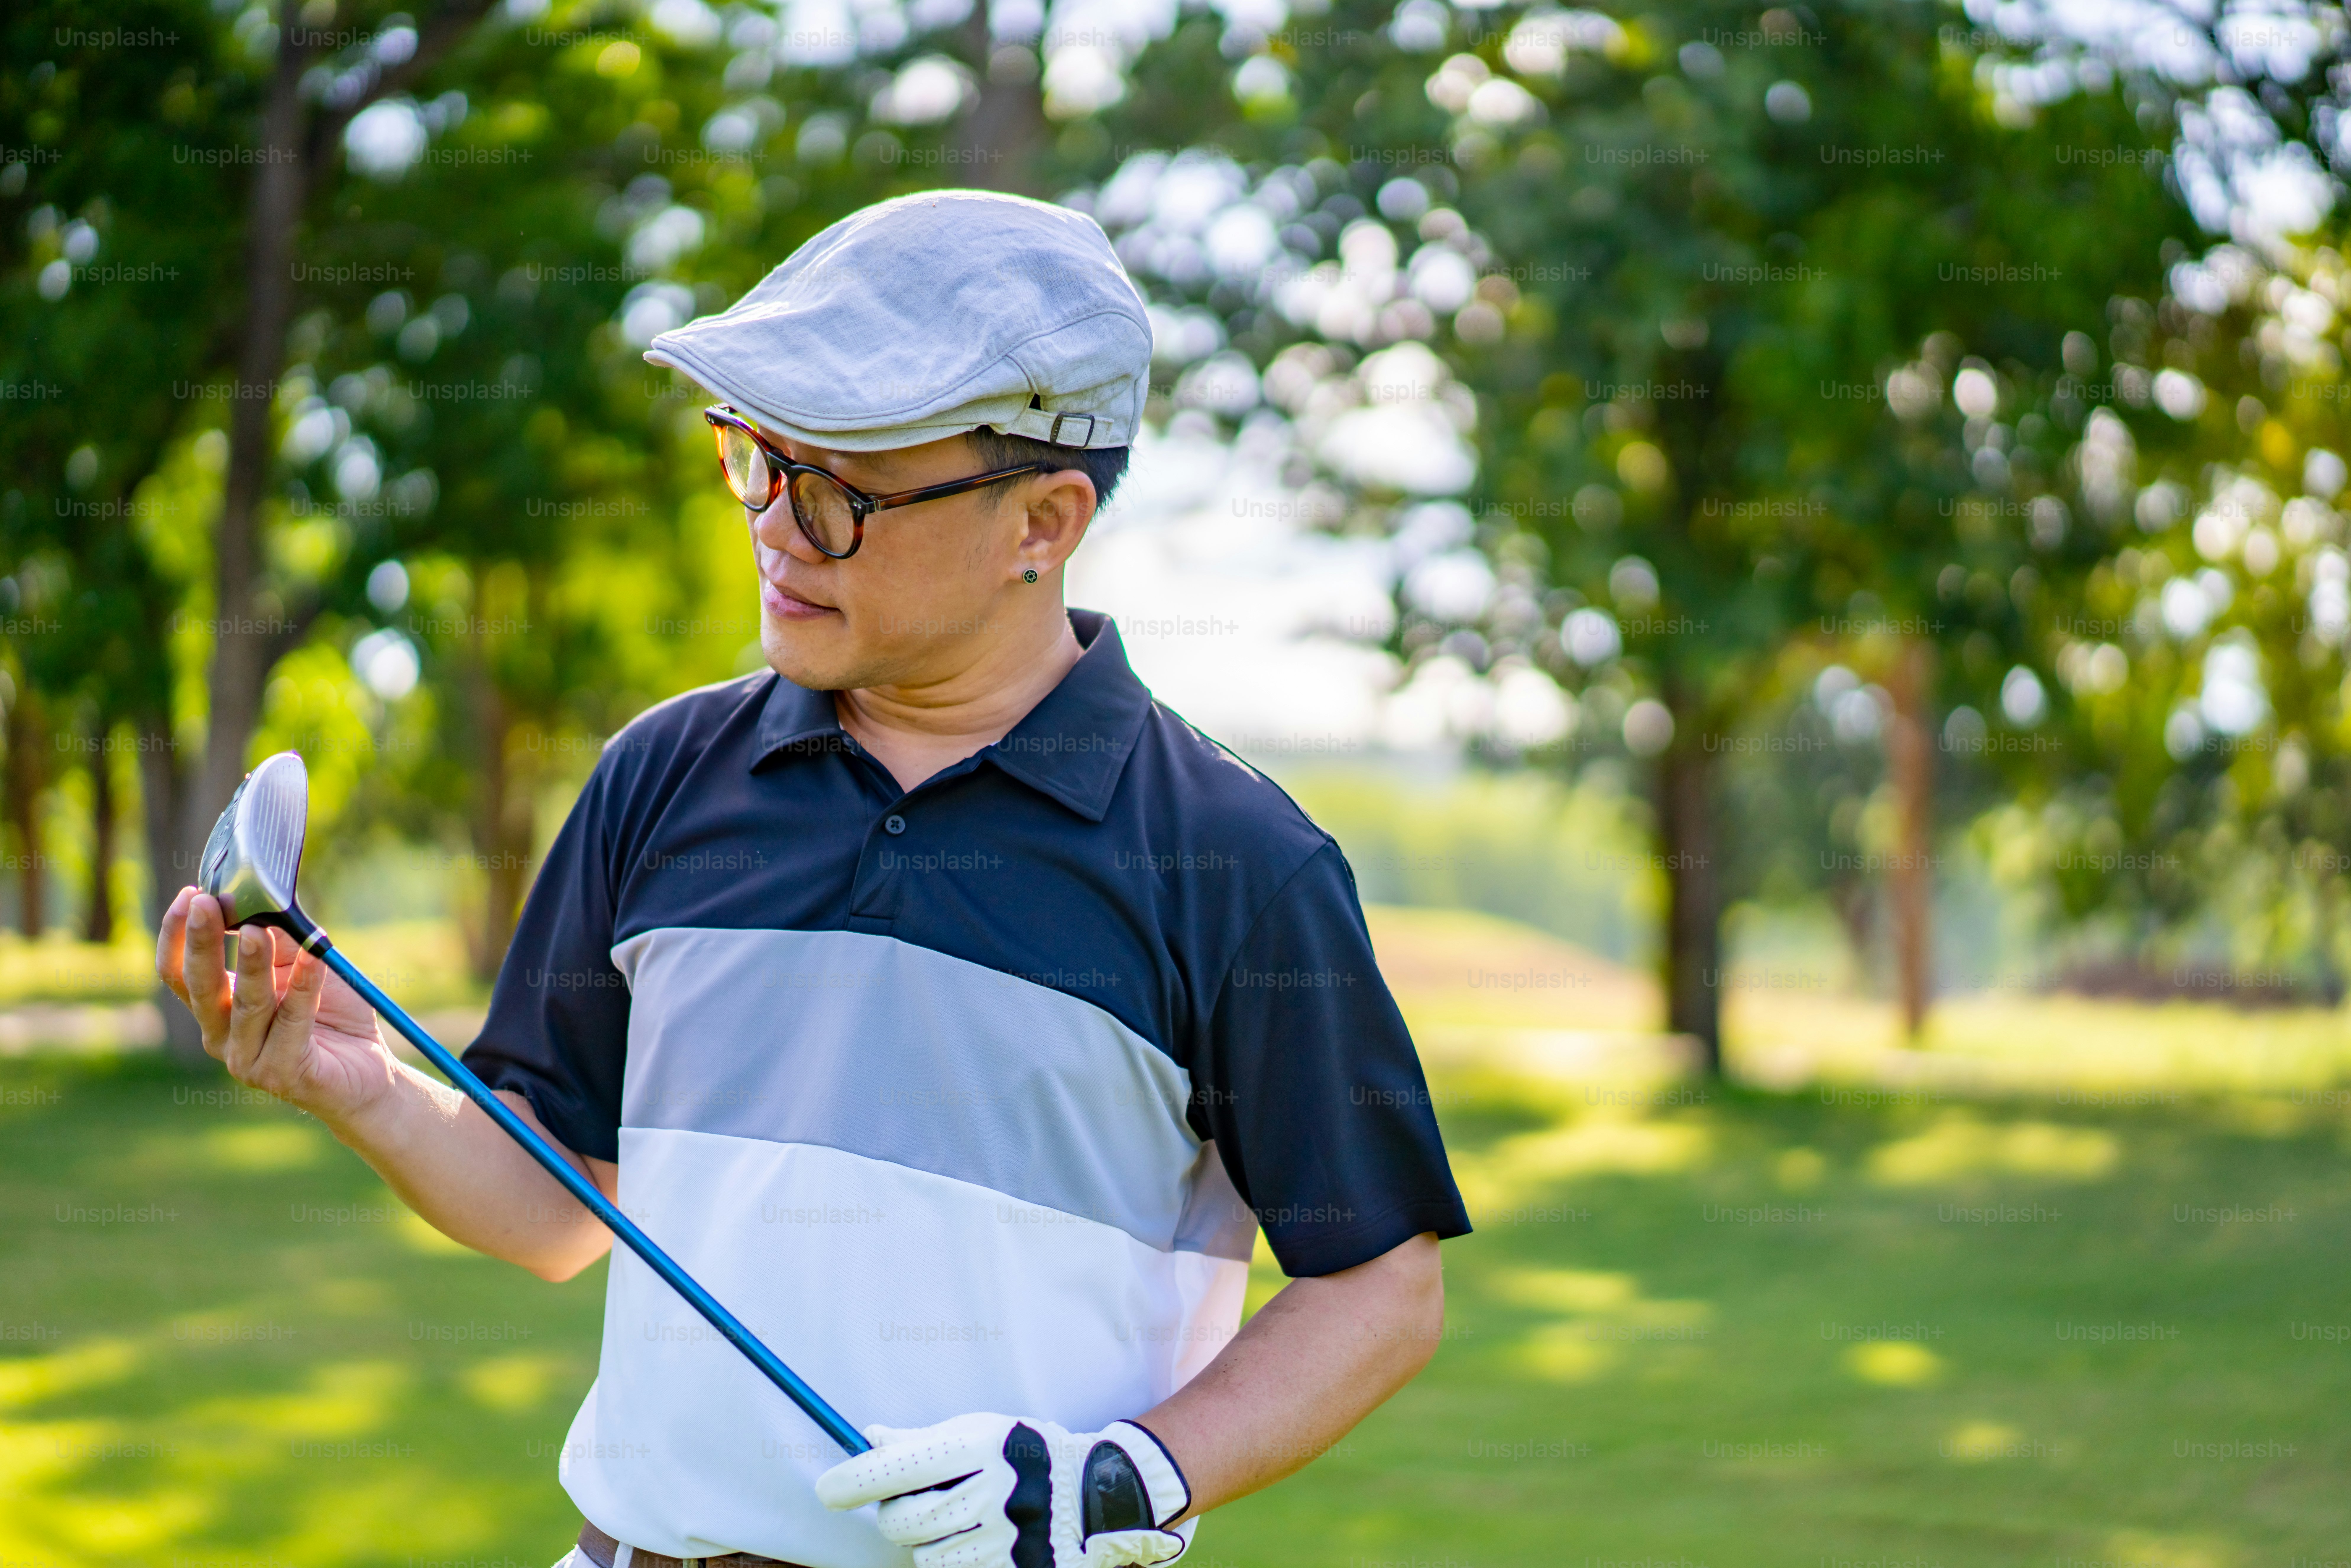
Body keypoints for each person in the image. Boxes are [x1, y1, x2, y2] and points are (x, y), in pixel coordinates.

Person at [157, 189, 1471, 1568]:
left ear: (1046, 517)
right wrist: (356, 1089)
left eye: (842, 493)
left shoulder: (1238, 864)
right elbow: (558, 1206)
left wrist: (1125, 1476)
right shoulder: (662, 777)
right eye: (757, 462)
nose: (778, 530)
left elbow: (1381, 1281)